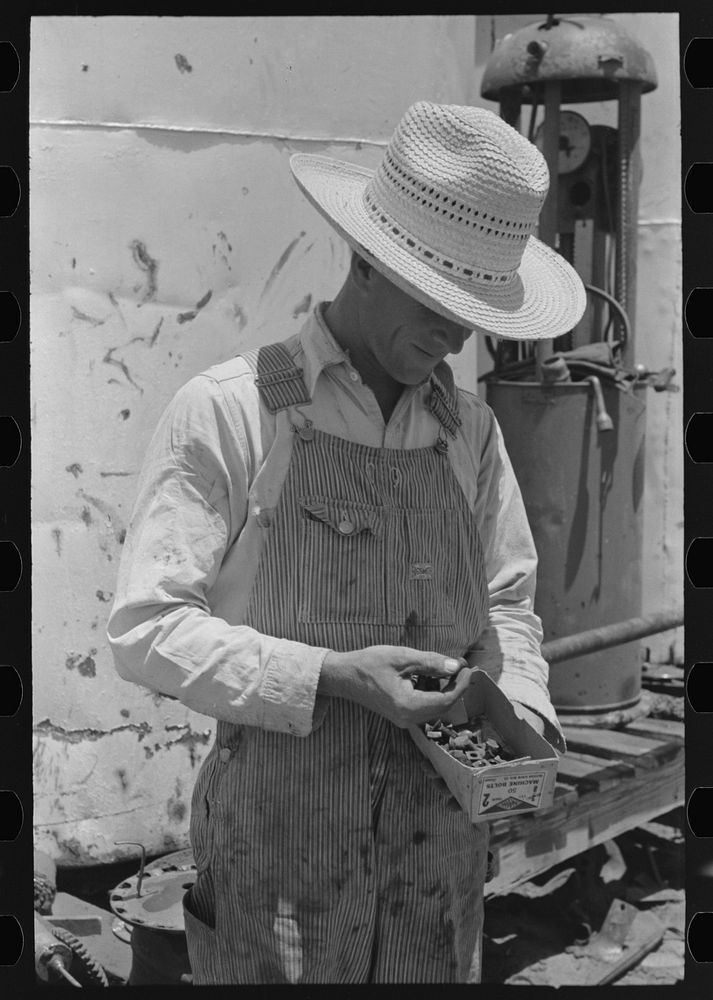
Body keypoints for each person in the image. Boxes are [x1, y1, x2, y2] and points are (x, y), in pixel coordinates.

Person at [107, 101, 586, 984]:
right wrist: (330, 676)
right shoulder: (235, 409)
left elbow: (508, 605)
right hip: (278, 863)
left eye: (475, 309)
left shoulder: (467, 434)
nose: (455, 334)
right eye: (436, 301)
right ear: (367, 258)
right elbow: (145, 629)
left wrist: (515, 710)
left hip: (435, 861)